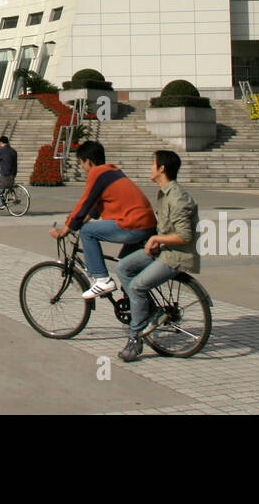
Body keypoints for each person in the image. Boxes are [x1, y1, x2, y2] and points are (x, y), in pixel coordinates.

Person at [114, 149, 201, 362]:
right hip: (163, 251)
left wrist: (156, 240)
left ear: (162, 168)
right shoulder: (164, 193)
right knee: (123, 267)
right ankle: (152, 314)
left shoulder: (177, 198)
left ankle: (135, 339)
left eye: (153, 164)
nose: (150, 168)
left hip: (175, 256)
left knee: (136, 286)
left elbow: (184, 236)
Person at [50, 141, 156, 299]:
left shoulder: (97, 173)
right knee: (126, 268)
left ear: (89, 162)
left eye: (81, 163)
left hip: (134, 224)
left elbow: (84, 203)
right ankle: (147, 312)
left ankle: (102, 279)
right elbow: (94, 209)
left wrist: (66, 229)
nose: (83, 168)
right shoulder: (112, 171)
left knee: (87, 232)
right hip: (147, 224)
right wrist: (75, 223)